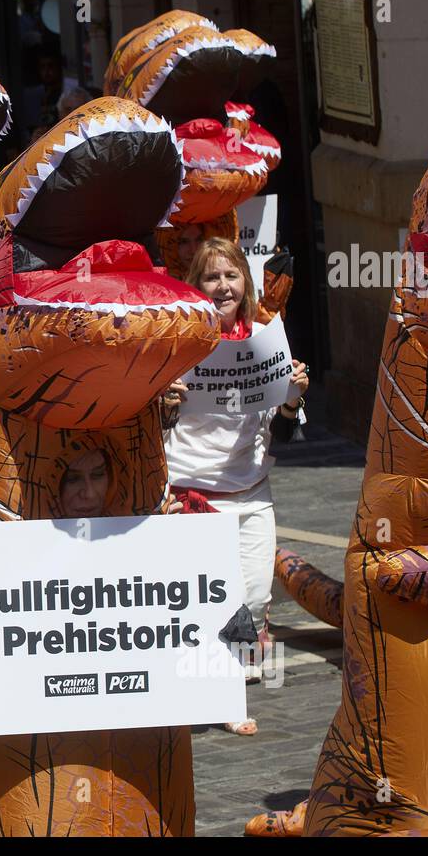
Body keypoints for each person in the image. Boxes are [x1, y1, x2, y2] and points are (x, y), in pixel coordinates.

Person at [162, 237, 309, 737]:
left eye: (231, 276)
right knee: (204, 606)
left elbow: (285, 433)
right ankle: (222, 698)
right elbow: (152, 426)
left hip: (253, 491)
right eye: (211, 277)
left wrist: (292, 400)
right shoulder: (181, 341)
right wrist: (166, 401)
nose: (222, 286)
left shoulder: (268, 337)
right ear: (196, 286)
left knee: (252, 599)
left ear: (244, 281)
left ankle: (229, 680)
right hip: (194, 495)